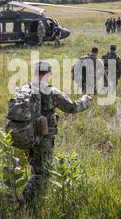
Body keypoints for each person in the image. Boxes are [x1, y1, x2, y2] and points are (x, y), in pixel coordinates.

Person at [19, 61, 92, 204]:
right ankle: (26, 200)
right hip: (43, 137)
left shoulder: (24, 89)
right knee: (43, 171)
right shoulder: (51, 92)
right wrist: (85, 100)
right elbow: (72, 107)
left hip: (26, 135)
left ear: (35, 73)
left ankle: (36, 198)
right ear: (49, 74)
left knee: (35, 167)